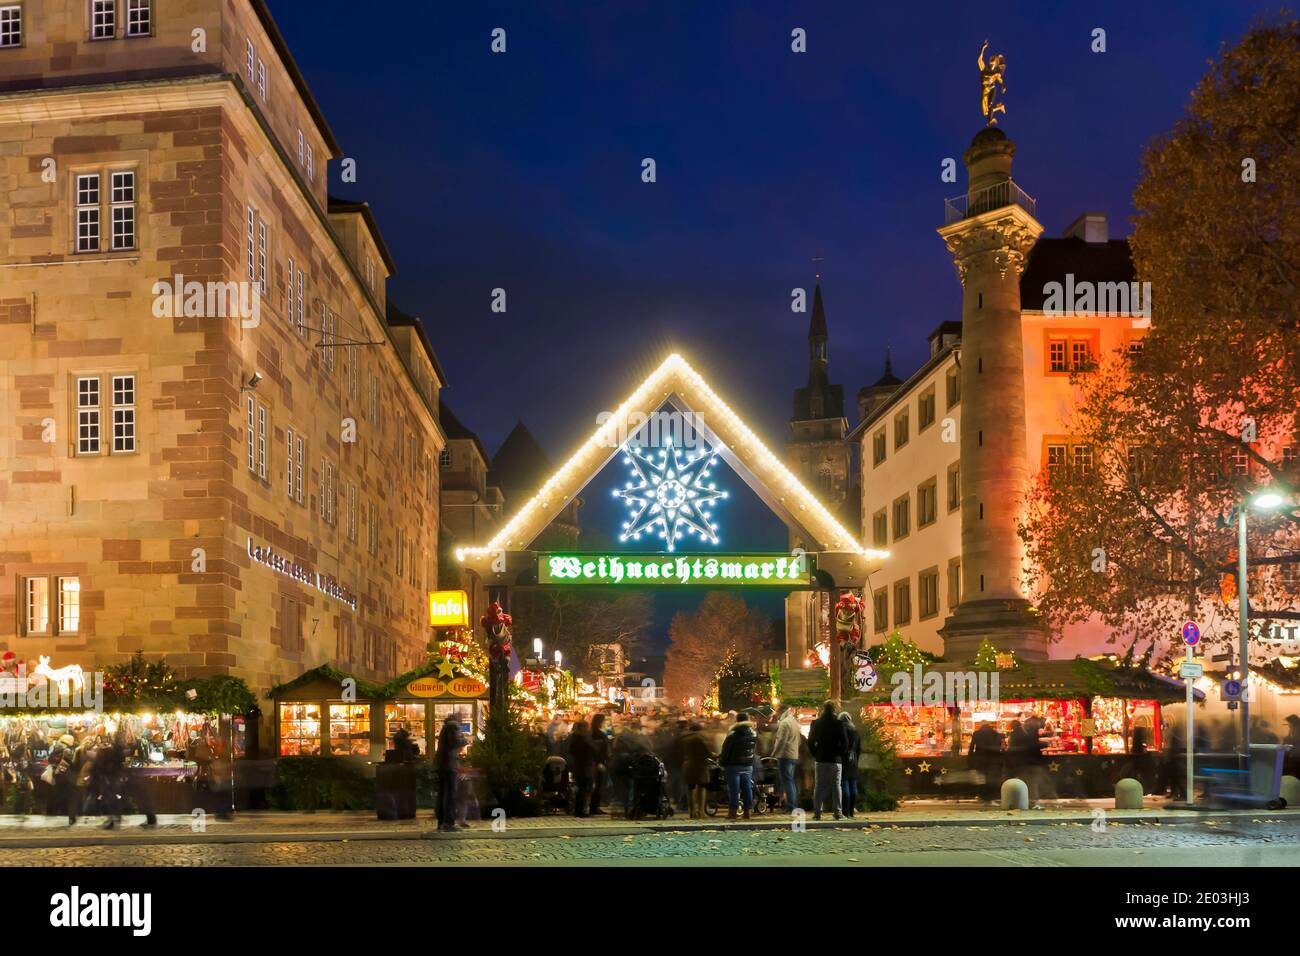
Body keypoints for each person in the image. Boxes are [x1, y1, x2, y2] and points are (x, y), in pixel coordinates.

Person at [807, 700, 848, 820]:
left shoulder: (816, 723)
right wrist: (840, 754)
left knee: (819, 786)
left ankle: (817, 812)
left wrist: (815, 753)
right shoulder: (839, 723)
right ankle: (838, 813)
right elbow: (845, 743)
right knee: (836, 786)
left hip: (821, 758)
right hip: (835, 759)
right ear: (834, 709)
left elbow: (810, 741)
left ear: (823, 709)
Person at [718, 713, 757, 820]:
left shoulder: (732, 735)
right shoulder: (753, 734)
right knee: (747, 789)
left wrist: (722, 762)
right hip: (748, 765)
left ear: (737, 721)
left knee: (734, 790)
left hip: (733, 765)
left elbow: (725, 751)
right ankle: (747, 813)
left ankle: (733, 813)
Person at [436, 714, 466, 832]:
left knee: (443, 793)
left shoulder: (446, 726)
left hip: (443, 764)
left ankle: (441, 822)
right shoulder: (453, 726)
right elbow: (454, 742)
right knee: (451, 795)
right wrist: (465, 740)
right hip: (449, 765)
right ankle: (449, 823)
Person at [678, 722, 715, 819]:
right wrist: (714, 756)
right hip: (699, 765)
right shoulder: (700, 738)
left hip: (687, 764)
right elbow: (707, 752)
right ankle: (701, 811)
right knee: (701, 787)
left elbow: (679, 753)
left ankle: (692, 811)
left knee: (691, 788)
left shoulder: (684, 739)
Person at [771, 705, 801, 813]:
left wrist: (773, 754)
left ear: (780, 711)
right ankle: (793, 804)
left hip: (785, 755)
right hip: (793, 754)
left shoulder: (784, 723)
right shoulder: (794, 722)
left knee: (787, 781)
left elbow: (781, 741)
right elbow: (799, 740)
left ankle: (791, 806)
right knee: (790, 781)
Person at [967, 721, 1004, 803]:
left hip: (980, 759)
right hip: (993, 760)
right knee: (990, 779)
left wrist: (970, 759)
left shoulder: (977, 733)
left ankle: (982, 796)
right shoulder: (995, 734)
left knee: (982, 778)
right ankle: (990, 797)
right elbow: (999, 746)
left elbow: (972, 747)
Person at [568, 720, 594, 817]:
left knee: (582, 788)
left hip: (580, 766)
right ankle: (580, 810)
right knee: (582, 788)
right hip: (583, 766)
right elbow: (585, 751)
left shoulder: (576, 738)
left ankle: (579, 810)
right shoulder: (581, 739)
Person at [839, 713, 861, 818]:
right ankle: (851, 810)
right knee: (853, 785)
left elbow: (841, 746)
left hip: (844, 760)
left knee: (844, 784)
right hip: (854, 761)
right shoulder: (855, 730)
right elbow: (858, 749)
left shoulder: (842, 730)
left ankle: (845, 810)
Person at [589, 714, 610, 815]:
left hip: (597, 762)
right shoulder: (597, 734)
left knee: (598, 785)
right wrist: (599, 762)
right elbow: (597, 750)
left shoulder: (595, 733)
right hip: (597, 763)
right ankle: (594, 806)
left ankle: (594, 806)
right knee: (598, 784)